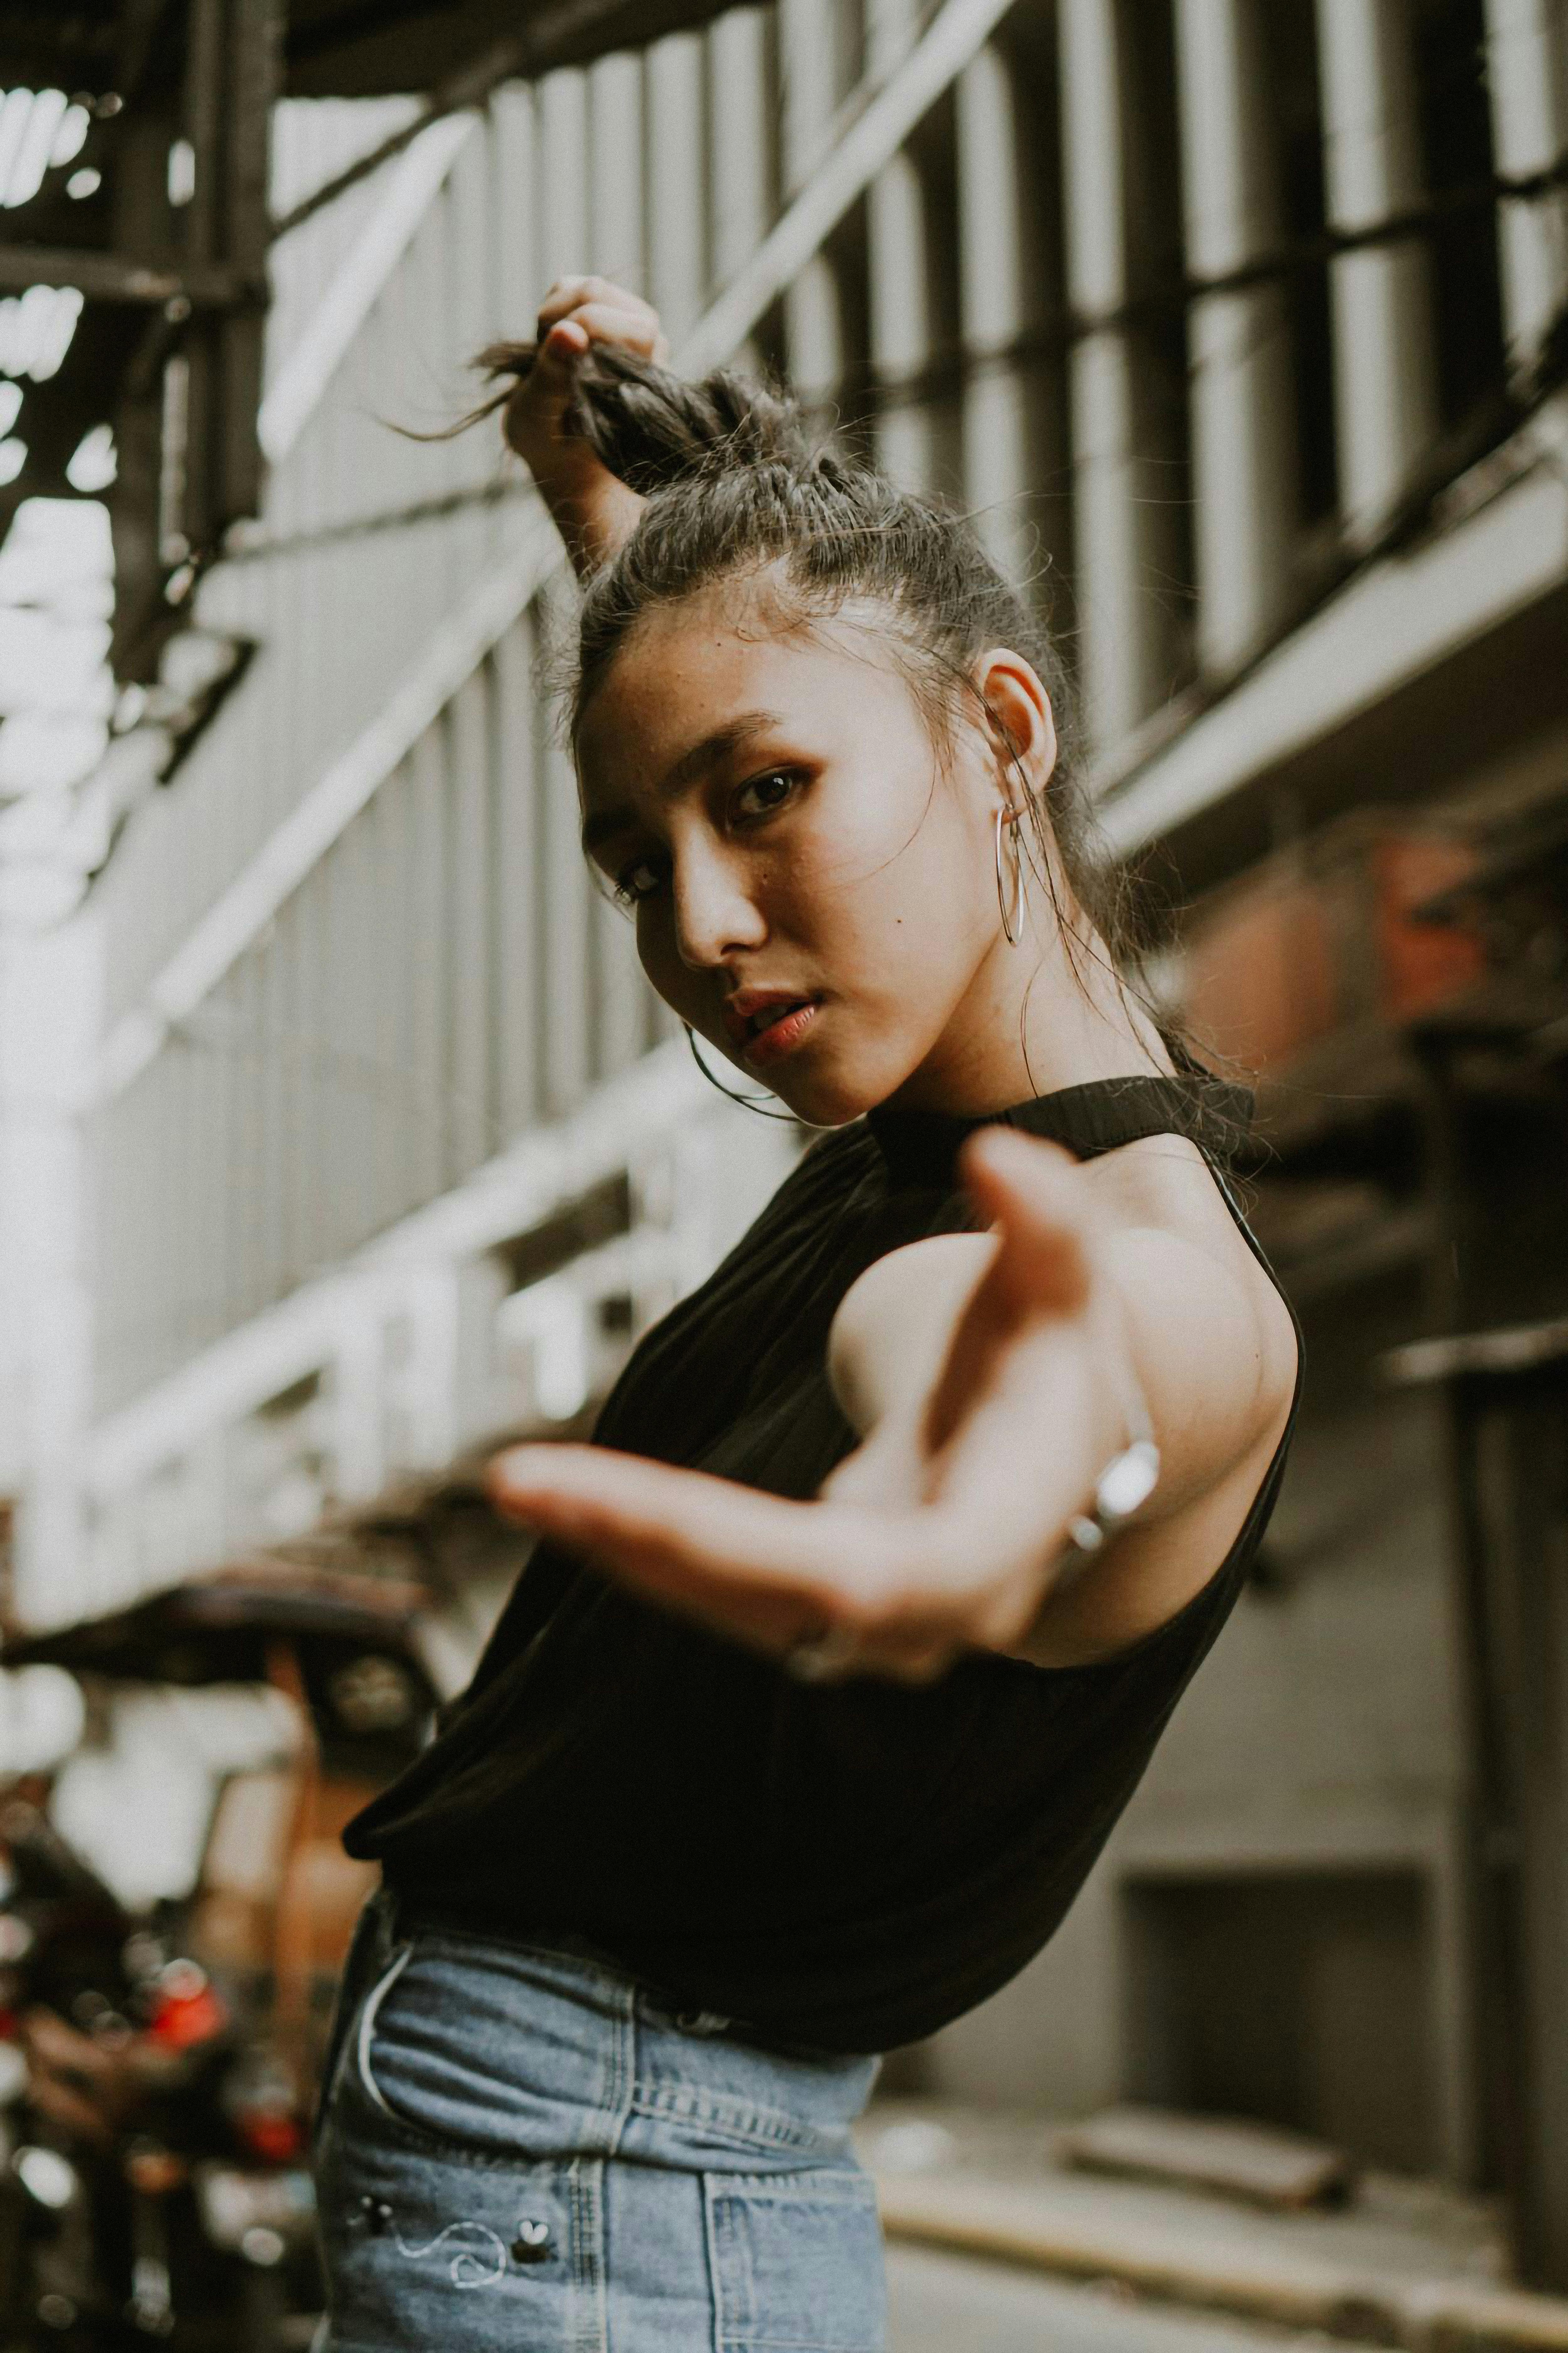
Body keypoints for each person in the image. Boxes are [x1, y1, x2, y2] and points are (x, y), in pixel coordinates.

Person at [311, 276, 1301, 2352]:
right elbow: (753, 688)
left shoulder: (1133, 1266)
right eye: (633, 863)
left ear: (1001, 733)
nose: (693, 925)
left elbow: (1049, 1363)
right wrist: (610, 514)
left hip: (599, 2193)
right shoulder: (917, 1124)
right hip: (590, 2182)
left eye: (759, 798)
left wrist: (975, 1505)